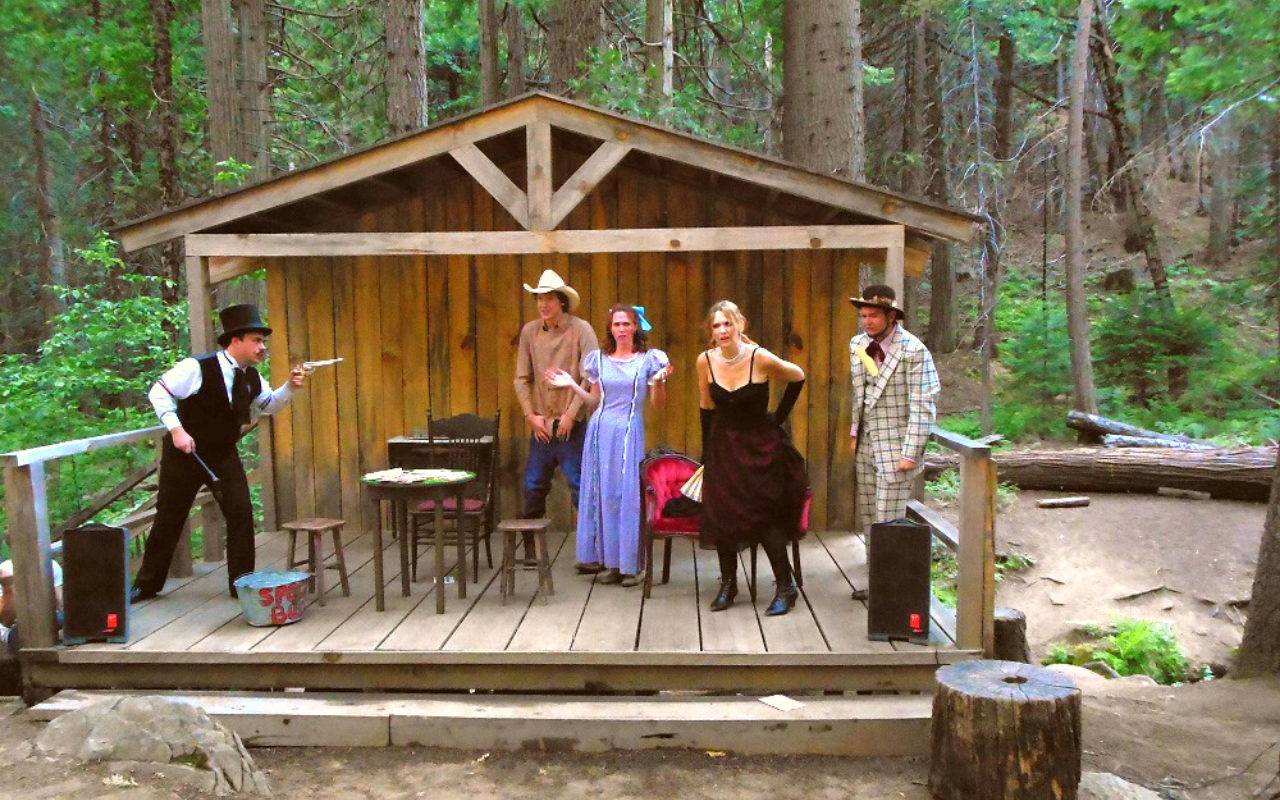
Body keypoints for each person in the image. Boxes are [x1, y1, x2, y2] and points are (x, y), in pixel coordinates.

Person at [131, 304, 307, 603]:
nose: (262, 347)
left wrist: (290, 386)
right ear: (235, 341)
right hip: (185, 454)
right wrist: (176, 430)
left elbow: (269, 404)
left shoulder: (251, 376)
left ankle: (242, 584)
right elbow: (159, 392)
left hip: (223, 454)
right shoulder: (196, 367)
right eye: (256, 340)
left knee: (241, 514)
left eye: (263, 341)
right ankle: (147, 585)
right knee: (169, 518)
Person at [696, 301, 808, 617]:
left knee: (764, 515)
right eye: (716, 325)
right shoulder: (705, 361)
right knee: (723, 513)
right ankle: (728, 585)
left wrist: (778, 418)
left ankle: (785, 586)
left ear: (740, 324)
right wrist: (706, 455)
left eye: (727, 324)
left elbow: (798, 376)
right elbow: (706, 406)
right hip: (723, 448)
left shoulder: (760, 357)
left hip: (760, 448)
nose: (722, 330)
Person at [547, 305, 672, 586]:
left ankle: (631, 565)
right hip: (600, 430)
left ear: (636, 327)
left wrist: (660, 383)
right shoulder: (599, 361)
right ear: (610, 329)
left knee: (625, 495)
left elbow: (658, 405)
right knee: (603, 494)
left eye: (627, 324)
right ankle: (611, 563)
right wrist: (571, 385)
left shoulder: (649, 360)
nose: (622, 329)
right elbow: (594, 401)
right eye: (617, 324)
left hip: (628, 430)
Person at [848, 284, 939, 599]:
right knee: (870, 518)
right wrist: (854, 432)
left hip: (897, 448)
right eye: (864, 315)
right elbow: (860, 395)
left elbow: (923, 406)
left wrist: (910, 453)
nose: (867, 321)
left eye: (873, 315)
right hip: (866, 444)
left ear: (890, 316)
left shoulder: (913, 350)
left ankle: (890, 593)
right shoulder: (858, 344)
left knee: (889, 519)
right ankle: (877, 583)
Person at [513, 269, 599, 561]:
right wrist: (530, 415)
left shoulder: (581, 330)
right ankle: (530, 551)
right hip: (542, 424)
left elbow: (590, 375)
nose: (543, 304)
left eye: (549, 298)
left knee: (580, 486)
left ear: (561, 301)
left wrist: (572, 414)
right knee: (533, 487)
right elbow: (521, 378)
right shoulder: (530, 332)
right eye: (539, 298)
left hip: (571, 425)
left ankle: (592, 551)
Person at [0, 557, 63, 654]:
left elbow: (61, 604)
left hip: (49, 619)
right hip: (15, 628)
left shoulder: (50, 564)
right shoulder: (4, 570)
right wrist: (7, 588)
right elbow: (7, 621)